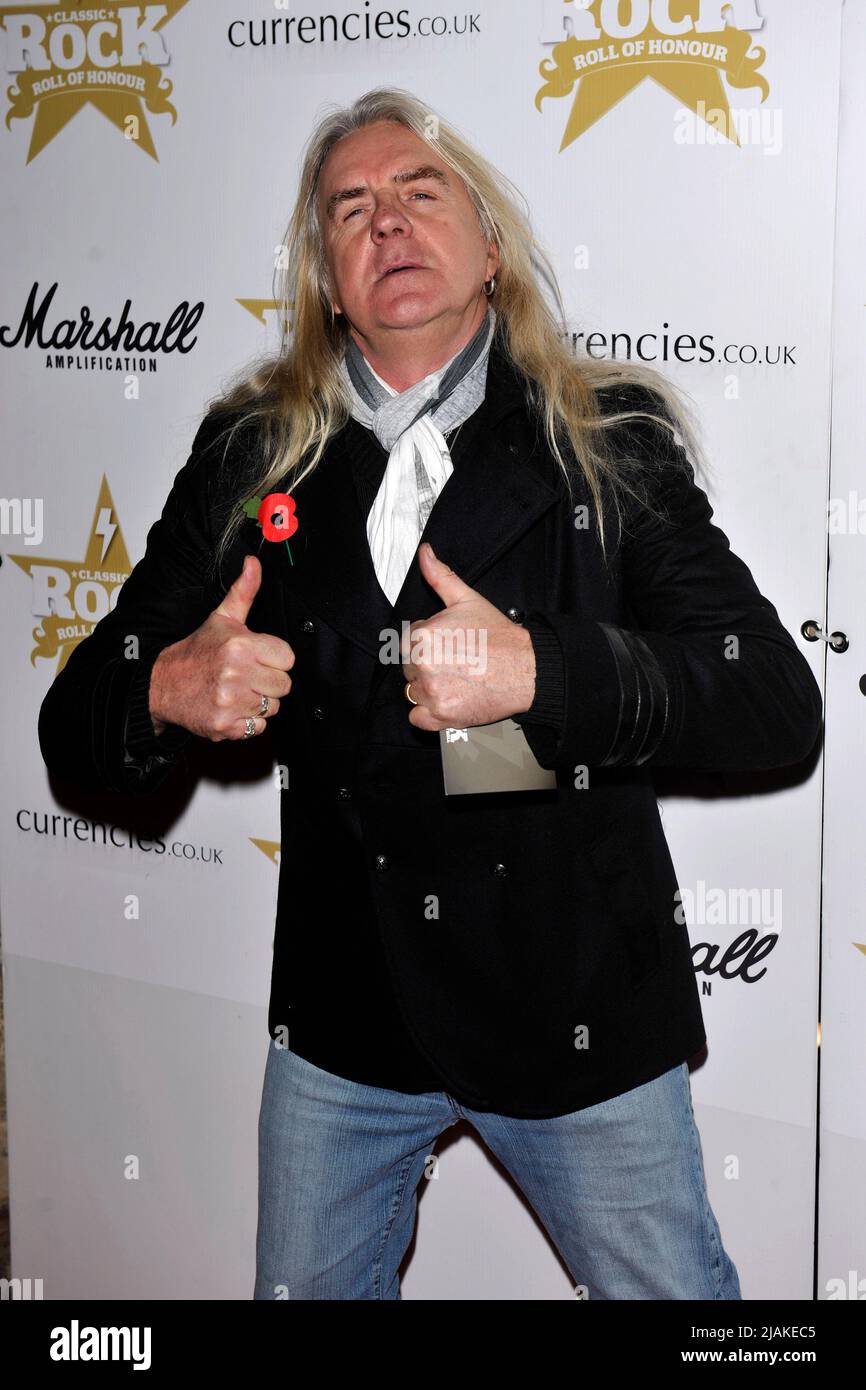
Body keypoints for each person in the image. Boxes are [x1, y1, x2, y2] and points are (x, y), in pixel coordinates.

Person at [38, 87, 823, 1301]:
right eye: (350, 208)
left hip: (574, 1015)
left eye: (419, 191)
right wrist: (163, 687)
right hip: (343, 1032)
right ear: (325, 282)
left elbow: (770, 699)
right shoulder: (253, 455)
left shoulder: (602, 440)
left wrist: (545, 671)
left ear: (491, 247)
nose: (387, 222)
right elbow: (74, 717)